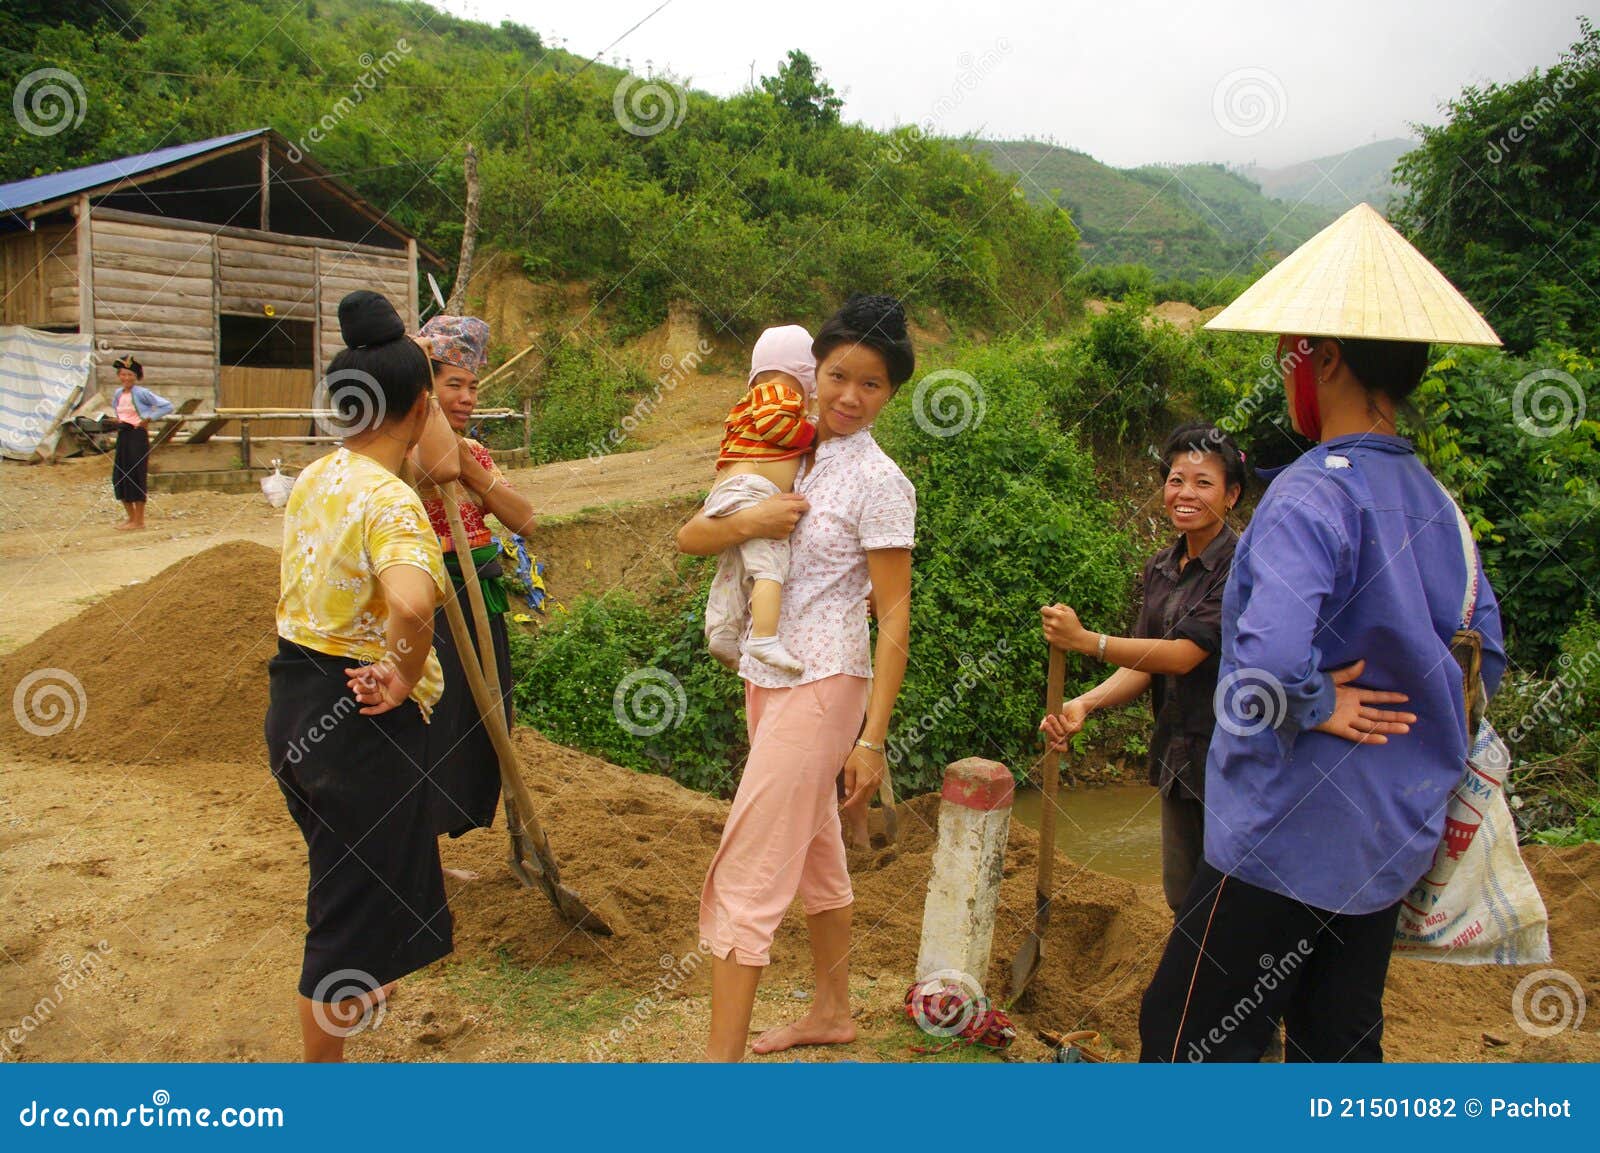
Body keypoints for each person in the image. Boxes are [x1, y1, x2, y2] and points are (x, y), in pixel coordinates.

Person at [1138, 204, 1506, 1063]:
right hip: (1386, 841)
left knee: (1187, 1038)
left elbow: (1266, 657)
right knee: (1335, 1044)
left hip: (1282, 836)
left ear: (1326, 360)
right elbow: (1483, 656)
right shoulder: (1439, 504)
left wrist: (1313, 698)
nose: (1287, 376)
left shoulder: (1312, 491)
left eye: (1289, 356)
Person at [676, 295, 916, 1061]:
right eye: (838, 375)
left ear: (891, 393)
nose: (849, 395)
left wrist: (872, 739)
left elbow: (896, 616)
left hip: (826, 681)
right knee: (814, 846)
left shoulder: (881, 481)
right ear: (814, 371)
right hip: (767, 675)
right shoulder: (787, 446)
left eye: (871, 384)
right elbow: (695, 532)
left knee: (747, 869)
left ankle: (718, 1070)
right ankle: (832, 1010)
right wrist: (750, 521)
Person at [265, 290, 460, 1062]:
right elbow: (411, 602)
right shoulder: (392, 502)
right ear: (419, 407)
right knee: (340, 922)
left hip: (295, 698)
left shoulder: (316, 476)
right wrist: (404, 672)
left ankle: (362, 978)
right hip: (358, 719)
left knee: (342, 874)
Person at [1040, 421, 1244, 914]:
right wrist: (1084, 703)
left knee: (1228, 898)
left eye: (1203, 482)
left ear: (1231, 495)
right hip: (1179, 756)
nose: (1185, 494)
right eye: (1176, 480)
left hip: (1232, 759)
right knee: (1182, 895)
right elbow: (1148, 662)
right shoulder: (1161, 567)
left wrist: (1087, 642)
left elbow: (1185, 654)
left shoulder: (1241, 565)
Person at [411, 313, 538, 881]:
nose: (465, 398)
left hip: (479, 600)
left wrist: (475, 474)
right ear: (426, 388)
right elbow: (436, 466)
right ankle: (418, 858)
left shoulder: (474, 454)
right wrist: (451, 455)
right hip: (430, 601)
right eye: (452, 385)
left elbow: (524, 519)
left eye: (473, 387)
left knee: (485, 721)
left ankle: (509, 843)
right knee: (432, 724)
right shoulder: (408, 451)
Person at [703, 324, 818, 676]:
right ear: (805, 374)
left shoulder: (747, 401)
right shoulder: (780, 394)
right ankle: (764, 638)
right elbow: (774, 426)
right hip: (752, 491)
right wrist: (810, 433)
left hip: (728, 491)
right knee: (771, 563)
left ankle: (722, 631)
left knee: (735, 567)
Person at [108, 356, 172, 531]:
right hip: (123, 435)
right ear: (119, 376)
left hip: (137, 436)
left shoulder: (142, 393)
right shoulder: (118, 394)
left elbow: (167, 406)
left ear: (136, 377)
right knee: (120, 476)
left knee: (136, 475)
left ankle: (139, 520)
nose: (126, 378)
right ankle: (131, 518)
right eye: (123, 374)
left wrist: (148, 418)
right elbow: (118, 411)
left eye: (130, 375)